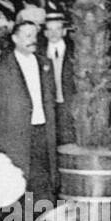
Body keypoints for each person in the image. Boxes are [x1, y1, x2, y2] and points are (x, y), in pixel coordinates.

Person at [0, 21, 58, 207]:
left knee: (43, 183)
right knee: (18, 185)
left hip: (42, 133)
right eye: (27, 36)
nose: (33, 40)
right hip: (15, 138)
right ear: (15, 38)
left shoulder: (45, 64)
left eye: (34, 35)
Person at [43, 11, 76, 148]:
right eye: (49, 29)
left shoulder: (75, 51)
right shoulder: (39, 53)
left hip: (70, 105)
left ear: (64, 31)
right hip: (49, 106)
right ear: (44, 33)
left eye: (57, 29)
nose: (53, 33)